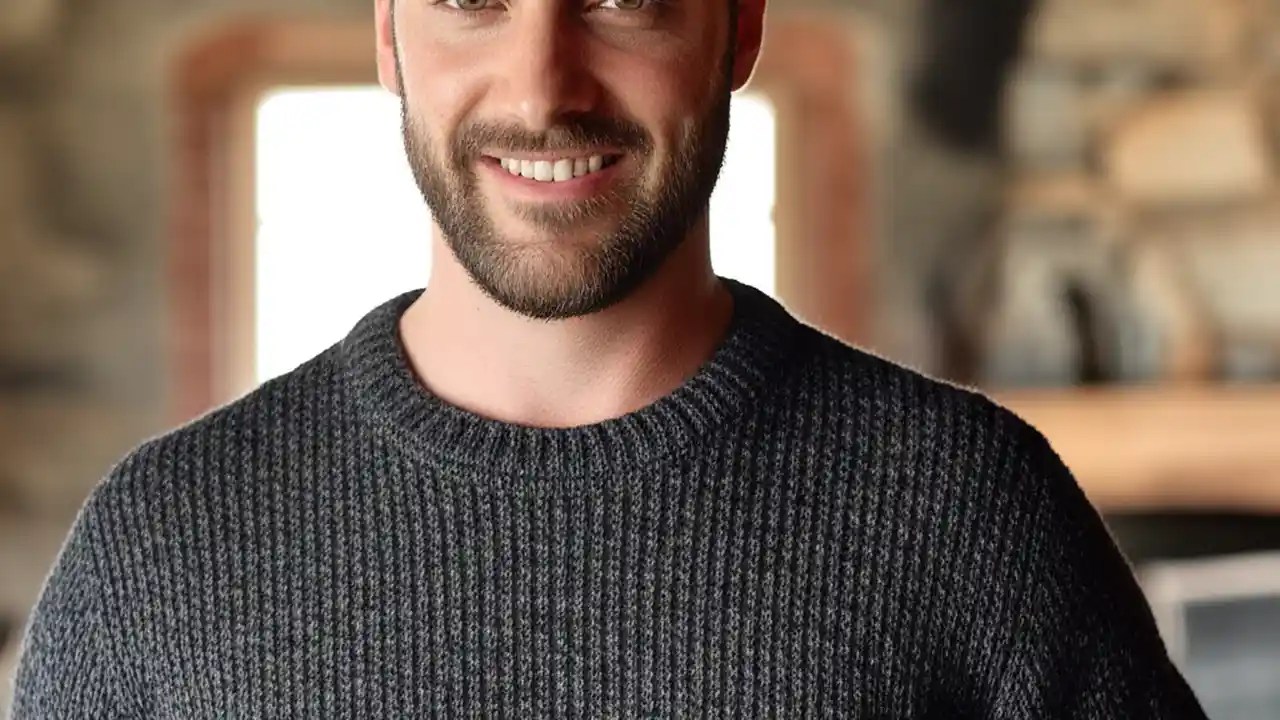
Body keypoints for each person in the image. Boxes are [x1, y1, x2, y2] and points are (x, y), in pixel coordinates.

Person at [10, 0, 1208, 716]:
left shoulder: (970, 513)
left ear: (736, 26)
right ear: (388, 34)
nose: (543, 86)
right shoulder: (157, 553)